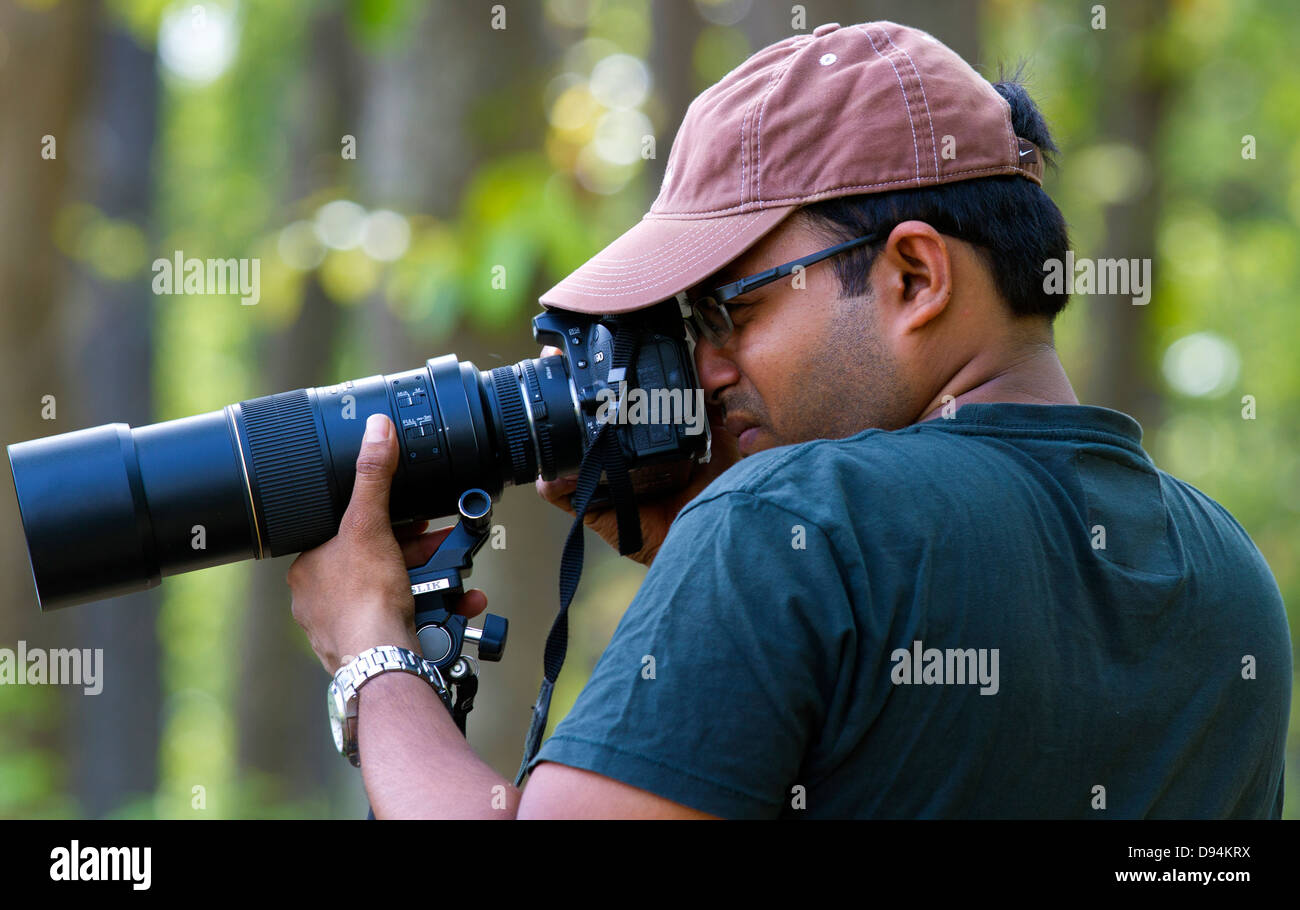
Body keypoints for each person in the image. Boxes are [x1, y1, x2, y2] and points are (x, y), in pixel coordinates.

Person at [287, 21, 1290, 818]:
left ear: (913, 275)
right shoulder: (1225, 574)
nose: (707, 365)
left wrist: (374, 653)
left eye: (732, 309)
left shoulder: (788, 523)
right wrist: (706, 559)